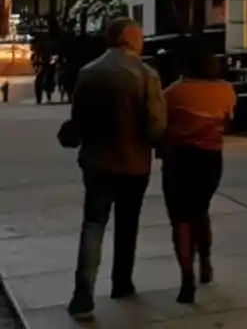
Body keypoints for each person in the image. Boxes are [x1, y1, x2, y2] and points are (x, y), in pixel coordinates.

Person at [66, 18, 166, 321]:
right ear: (131, 41)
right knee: (127, 224)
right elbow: (156, 125)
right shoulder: (145, 75)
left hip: (97, 161)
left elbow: (78, 119)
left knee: (93, 225)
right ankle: (121, 281)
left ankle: (83, 292)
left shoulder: (89, 73)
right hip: (133, 162)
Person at [160, 45, 237, 304]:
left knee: (180, 220)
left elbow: (160, 124)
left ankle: (186, 277)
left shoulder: (172, 93)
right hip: (211, 161)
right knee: (200, 209)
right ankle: (205, 260)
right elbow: (227, 122)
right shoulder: (226, 90)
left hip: (179, 161)